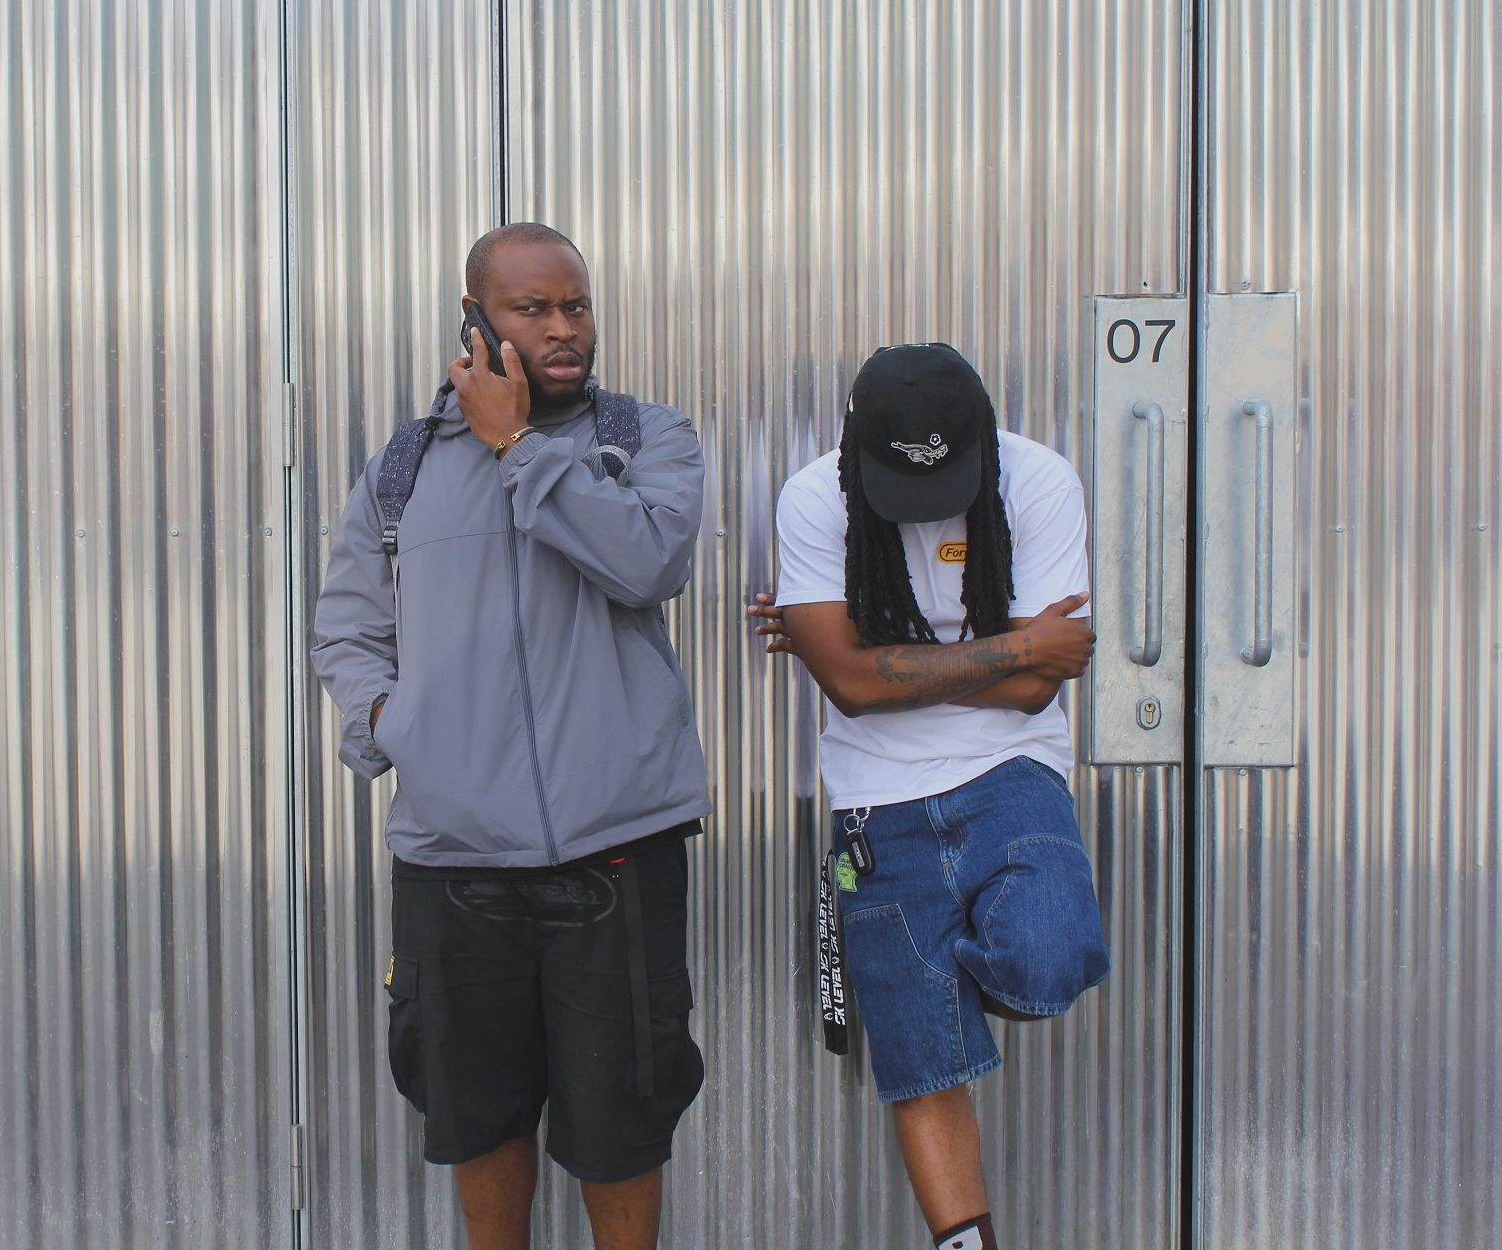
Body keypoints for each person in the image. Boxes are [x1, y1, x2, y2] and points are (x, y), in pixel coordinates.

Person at [311, 222, 711, 1250]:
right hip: (455, 858)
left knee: (622, 1120)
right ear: (475, 320)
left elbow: (648, 562)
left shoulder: (644, 437)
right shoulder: (403, 466)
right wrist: (391, 724)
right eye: (532, 309)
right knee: (476, 1115)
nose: (562, 327)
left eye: (575, 304)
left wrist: (519, 447)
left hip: (616, 848)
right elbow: (348, 623)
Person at [749, 343, 1109, 1250]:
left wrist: (870, 658)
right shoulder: (814, 497)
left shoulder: (1038, 481)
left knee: (1048, 955)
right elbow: (854, 689)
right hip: (875, 802)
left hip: (1012, 772)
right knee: (923, 1063)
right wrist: (1015, 646)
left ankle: (942, 969)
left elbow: (1032, 692)